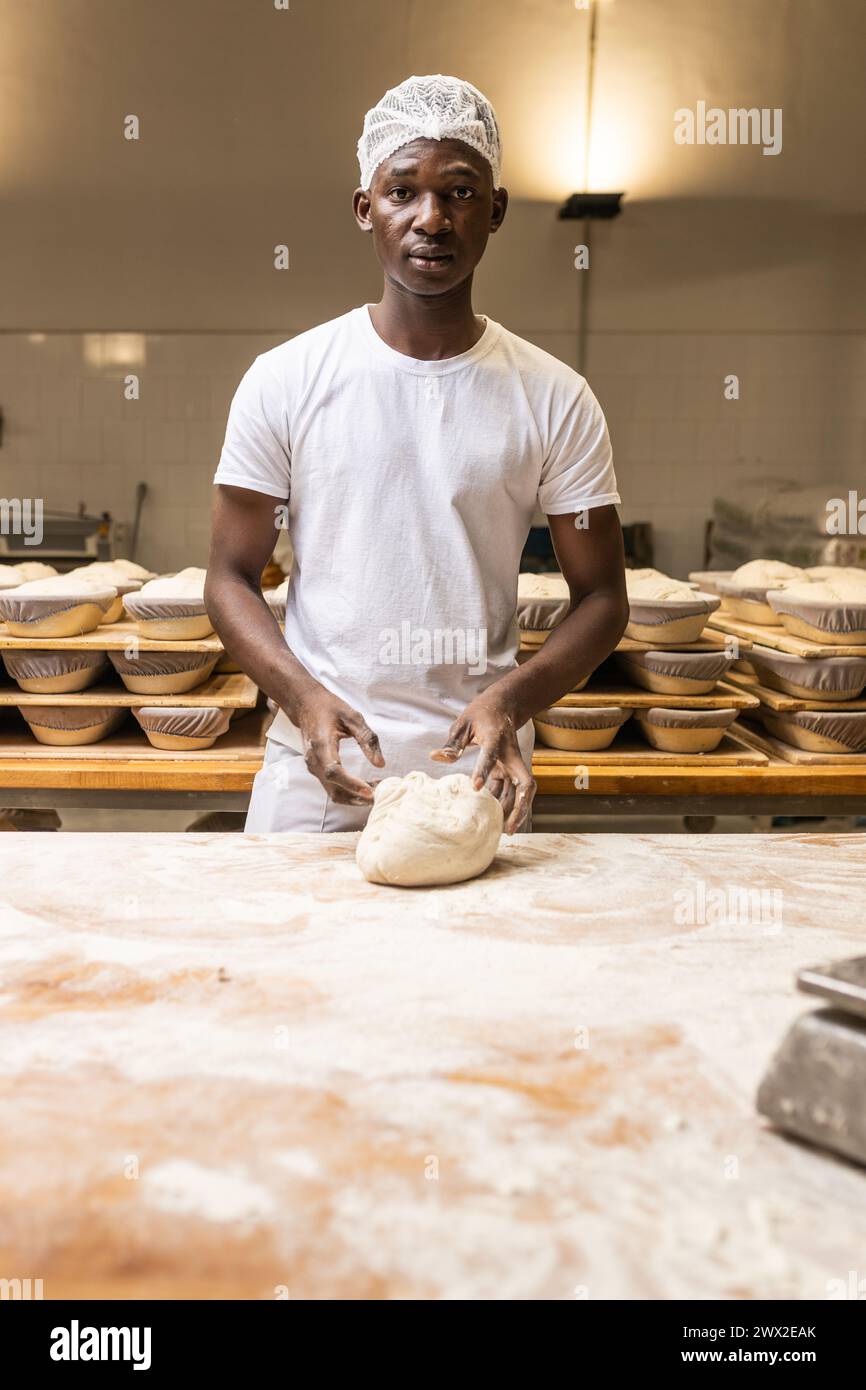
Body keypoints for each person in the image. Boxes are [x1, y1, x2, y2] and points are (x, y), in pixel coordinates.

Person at [206, 74, 628, 834]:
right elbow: (229, 577)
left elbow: (602, 599)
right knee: (291, 953)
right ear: (367, 209)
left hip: (478, 777)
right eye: (402, 191)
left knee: (469, 957)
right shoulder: (288, 379)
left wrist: (513, 700)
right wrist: (302, 700)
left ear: (494, 211)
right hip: (314, 771)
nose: (431, 218)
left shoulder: (555, 396)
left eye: (461, 192)